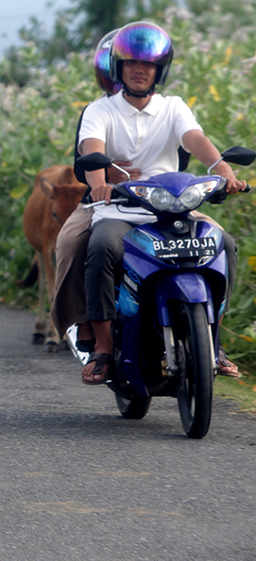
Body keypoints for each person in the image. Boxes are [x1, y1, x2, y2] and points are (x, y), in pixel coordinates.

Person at [71, 22, 246, 385]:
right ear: (118, 69)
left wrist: (224, 171)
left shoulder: (173, 107)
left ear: (159, 71)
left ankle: (213, 343)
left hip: (174, 206)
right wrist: (101, 183)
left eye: (148, 65)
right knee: (102, 244)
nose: (140, 70)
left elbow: (195, 139)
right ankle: (103, 348)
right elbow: (92, 151)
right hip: (120, 209)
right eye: (132, 63)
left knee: (224, 244)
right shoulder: (99, 111)